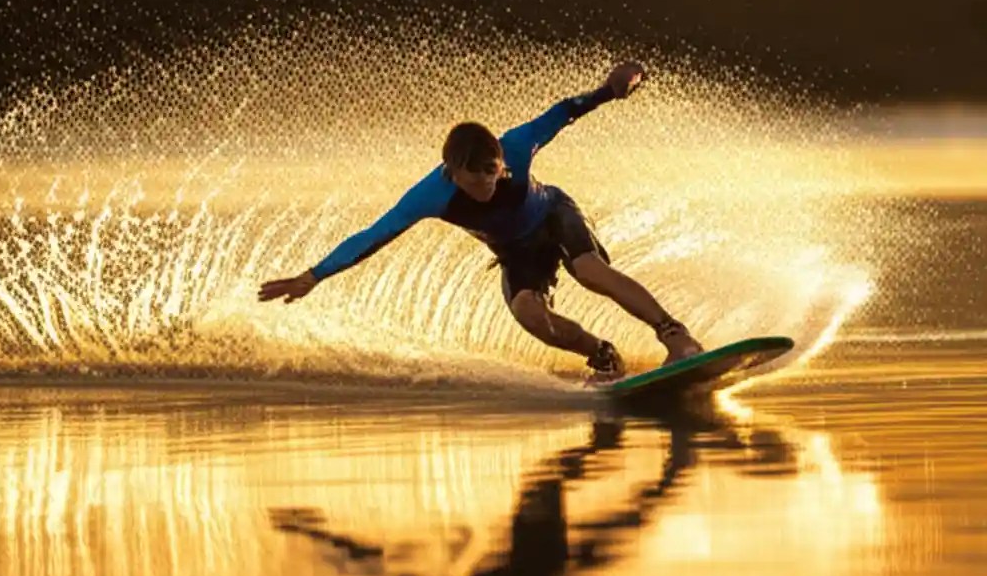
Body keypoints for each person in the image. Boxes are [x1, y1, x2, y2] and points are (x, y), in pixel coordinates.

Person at [257, 61, 704, 382]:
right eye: (474, 185)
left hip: (551, 216)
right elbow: (373, 235)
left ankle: (677, 338)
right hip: (515, 251)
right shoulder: (430, 195)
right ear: (453, 173)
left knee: (589, 271)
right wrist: (314, 275)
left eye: (492, 179)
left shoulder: (517, 145)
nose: (485, 190)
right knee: (530, 315)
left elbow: (566, 110)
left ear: (499, 163)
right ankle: (604, 357)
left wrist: (613, 88)